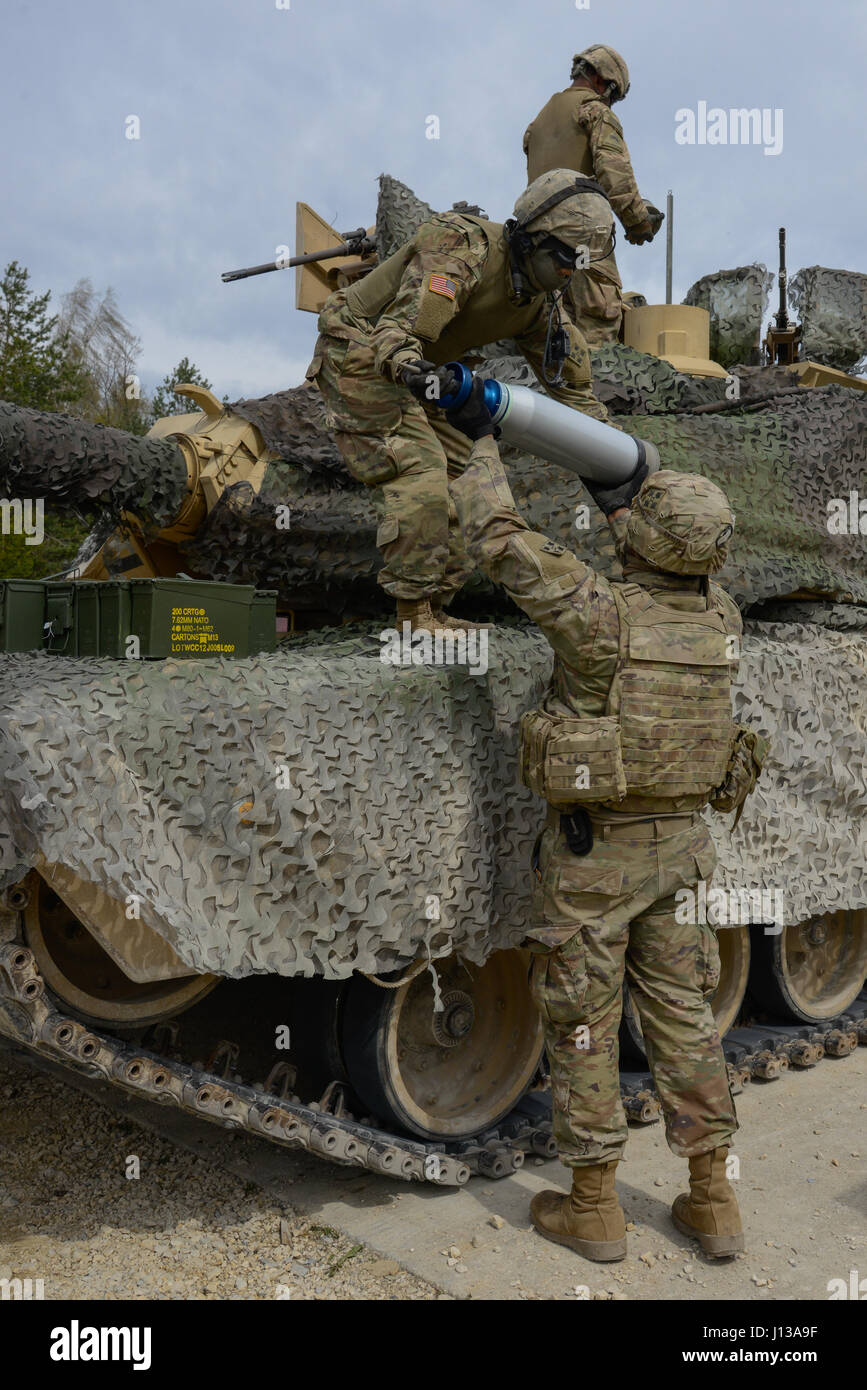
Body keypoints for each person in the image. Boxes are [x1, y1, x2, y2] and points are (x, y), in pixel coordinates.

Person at [447, 376, 762, 1263]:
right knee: (682, 1015)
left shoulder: (596, 616)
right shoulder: (721, 619)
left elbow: (500, 542)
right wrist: (624, 492)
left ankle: (592, 1205)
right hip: (681, 854)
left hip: (594, 865)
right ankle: (711, 1199)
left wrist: (477, 438)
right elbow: (657, 553)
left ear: (643, 541)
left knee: (582, 1020)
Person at [305, 170, 611, 633]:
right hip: (361, 350)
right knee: (419, 467)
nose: (571, 272)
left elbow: (576, 393)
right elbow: (396, 335)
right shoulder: (461, 249)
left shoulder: (537, 299)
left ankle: (433, 607)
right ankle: (412, 617)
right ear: (532, 239)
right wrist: (420, 373)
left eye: (581, 263)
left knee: (474, 481)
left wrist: (616, 457)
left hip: (421, 375)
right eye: (565, 258)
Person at [523, 45, 664, 347]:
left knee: (555, 324)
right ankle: (593, 390)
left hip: (533, 235)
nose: (610, 103)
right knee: (598, 318)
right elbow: (616, 176)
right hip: (580, 226)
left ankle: (558, 390)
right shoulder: (596, 112)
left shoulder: (538, 123)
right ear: (603, 82)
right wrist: (639, 222)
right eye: (612, 96)